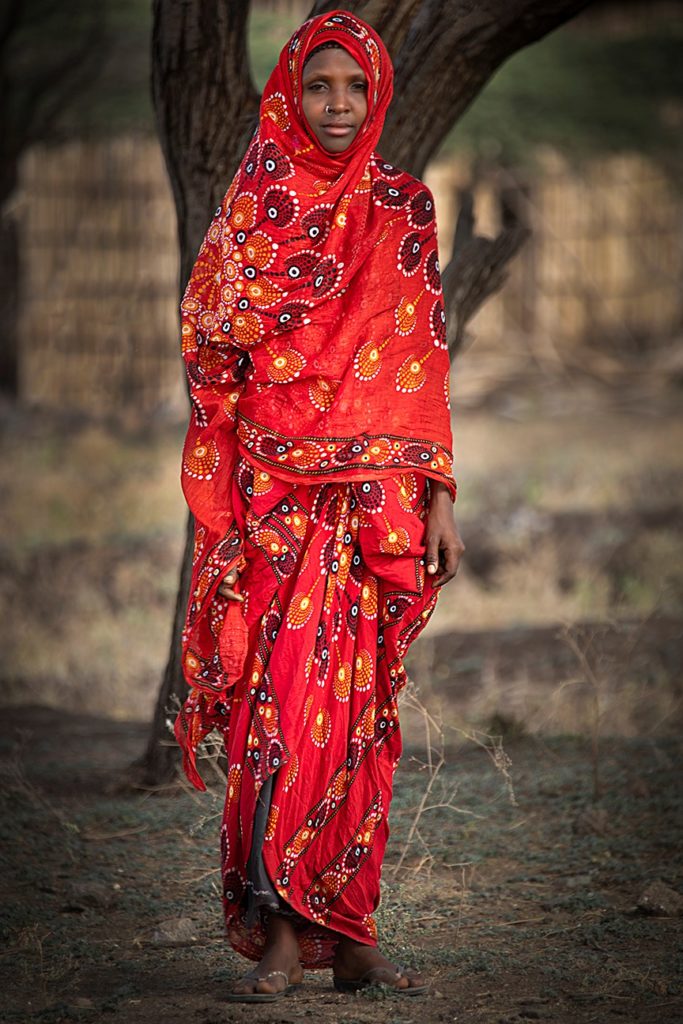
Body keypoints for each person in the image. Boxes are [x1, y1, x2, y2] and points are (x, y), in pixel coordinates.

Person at [173, 8, 464, 1003]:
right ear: (288, 95)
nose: (337, 105)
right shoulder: (254, 207)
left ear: (377, 94)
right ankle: (284, 935)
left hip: (374, 501)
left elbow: (420, 361)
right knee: (281, 712)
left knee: (360, 713)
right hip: (277, 501)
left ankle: (353, 928)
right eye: (318, 86)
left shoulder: (403, 206)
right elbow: (209, 339)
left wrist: (437, 498)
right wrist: (243, 450)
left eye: (355, 87)